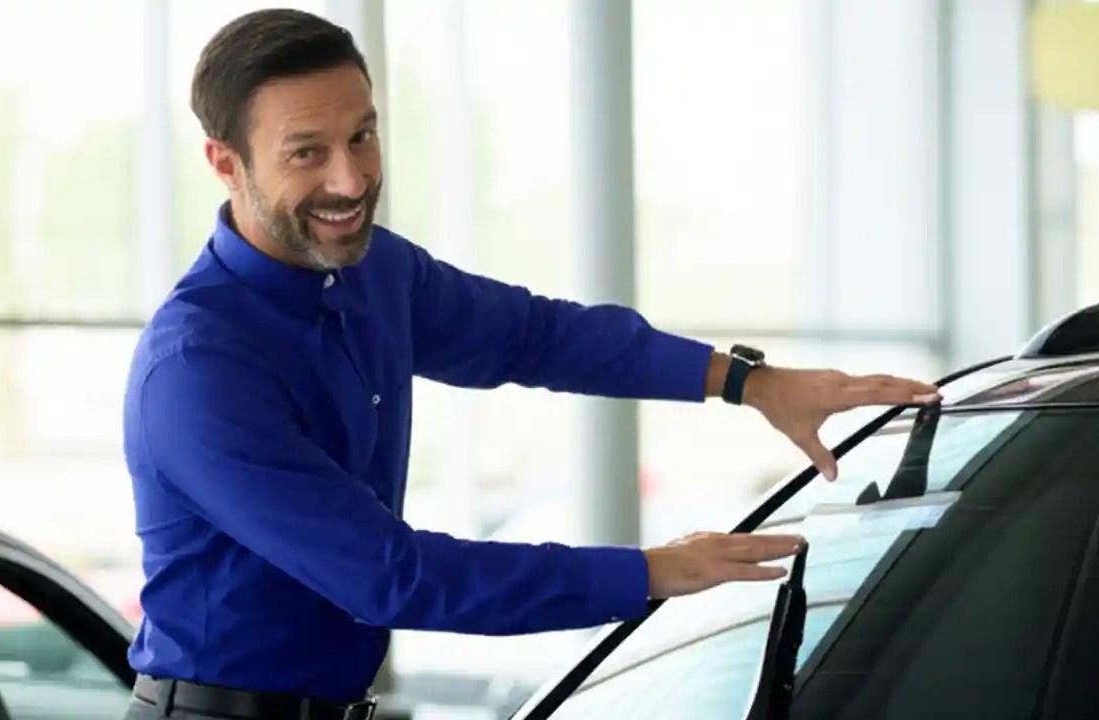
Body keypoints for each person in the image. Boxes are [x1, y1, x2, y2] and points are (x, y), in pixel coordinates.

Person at [120, 8, 939, 720]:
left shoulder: (377, 273)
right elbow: (393, 577)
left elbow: (534, 336)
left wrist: (748, 381)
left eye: (363, 136)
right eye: (307, 153)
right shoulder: (198, 369)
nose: (352, 178)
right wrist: (654, 571)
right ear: (225, 163)